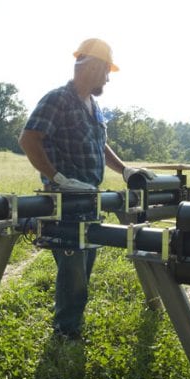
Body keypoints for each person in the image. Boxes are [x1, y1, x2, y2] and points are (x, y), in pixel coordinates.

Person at [18, 38, 154, 340]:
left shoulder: (94, 107)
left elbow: (99, 143)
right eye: (107, 72)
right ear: (93, 67)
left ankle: (70, 325)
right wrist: (57, 178)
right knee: (74, 269)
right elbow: (29, 139)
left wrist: (124, 170)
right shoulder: (57, 99)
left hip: (91, 197)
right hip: (65, 200)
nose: (108, 79)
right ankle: (66, 332)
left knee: (86, 263)